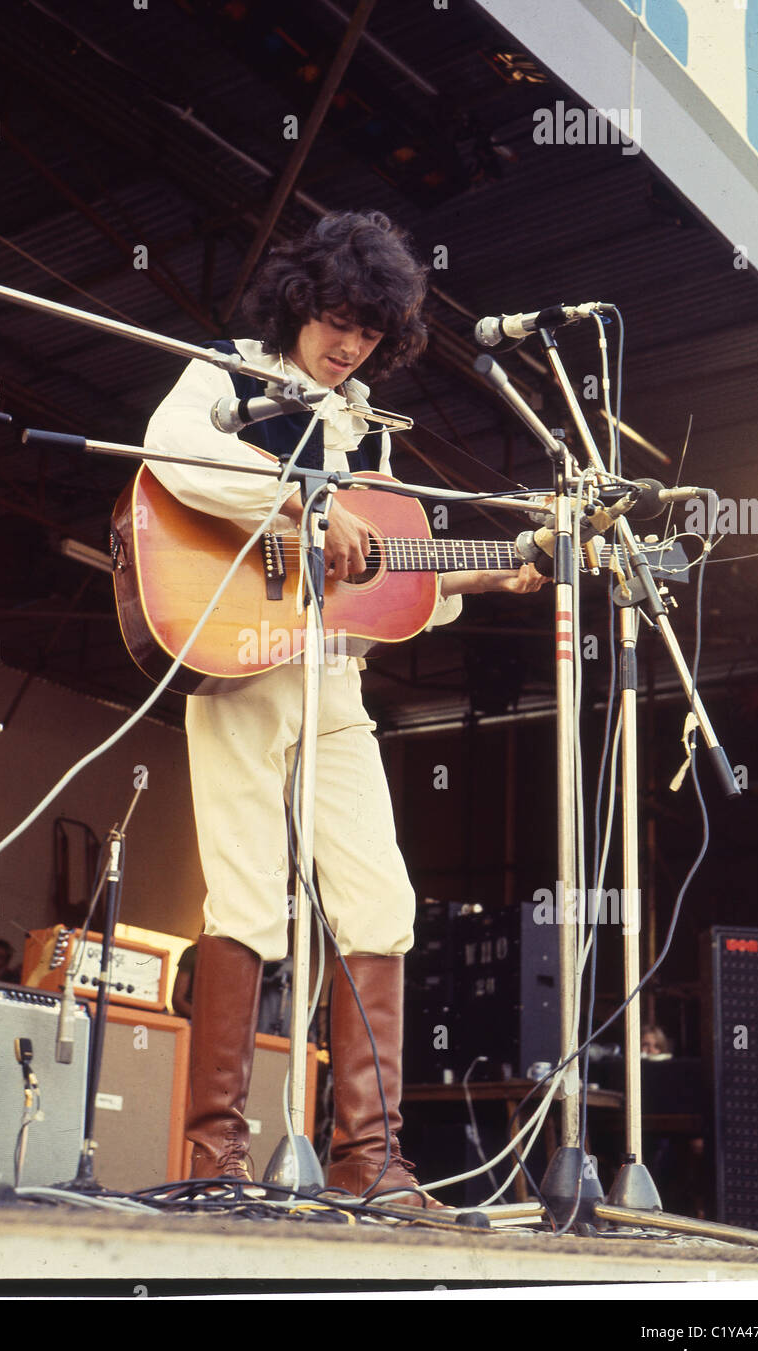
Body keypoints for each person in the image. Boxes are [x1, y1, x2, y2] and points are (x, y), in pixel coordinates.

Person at [144, 210, 548, 1205]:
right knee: (246, 895)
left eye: (369, 332)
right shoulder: (228, 373)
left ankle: (368, 1157)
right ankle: (214, 1159)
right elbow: (167, 451)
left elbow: (380, 574)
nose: (348, 343)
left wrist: (493, 575)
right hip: (242, 657)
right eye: (337, 319)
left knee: (382, 902)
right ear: (300, 301)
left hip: (334, 678)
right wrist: (298, 510)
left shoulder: (363, 422)